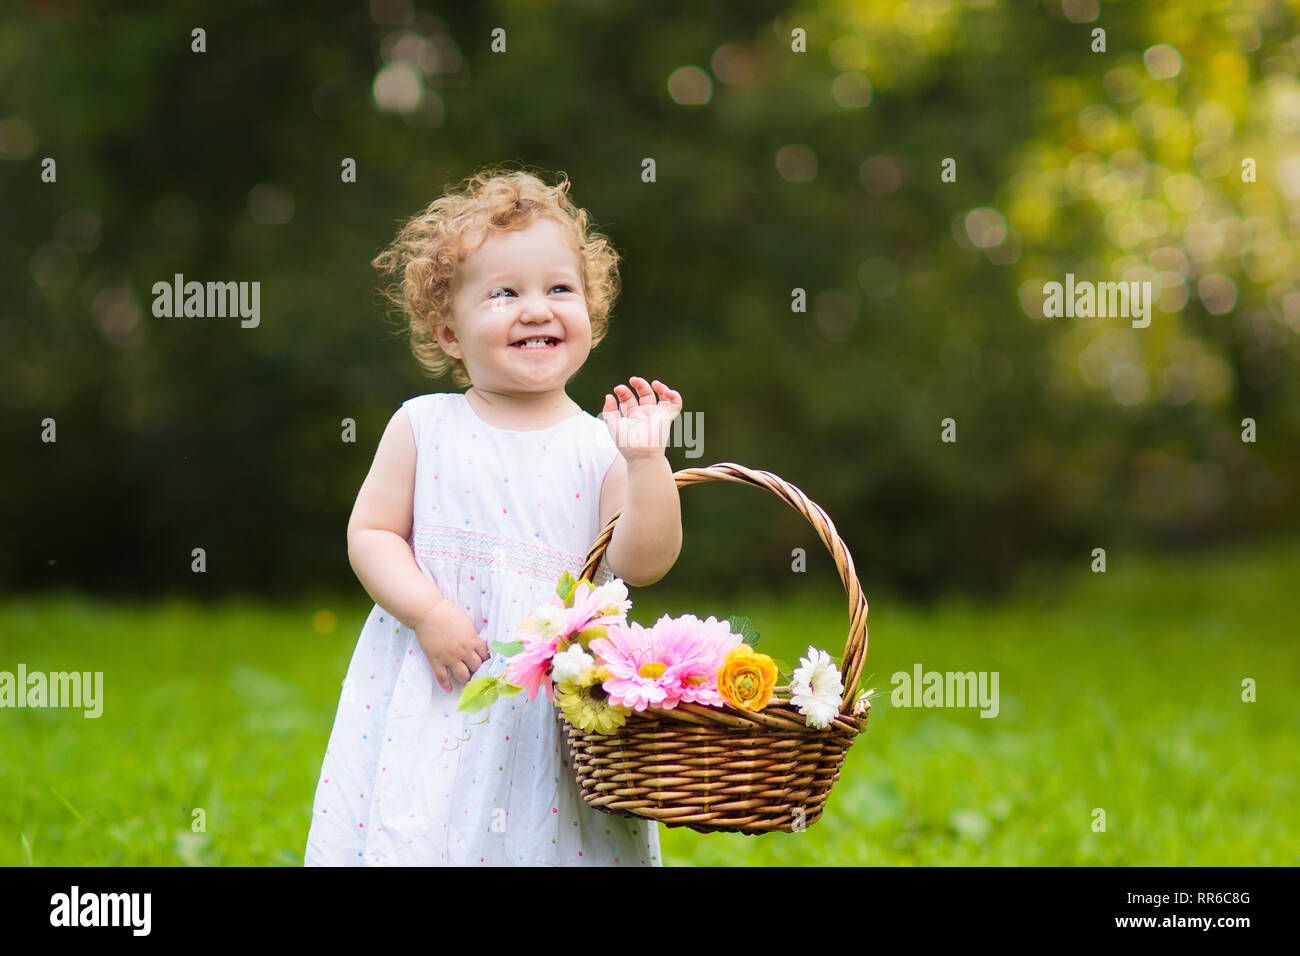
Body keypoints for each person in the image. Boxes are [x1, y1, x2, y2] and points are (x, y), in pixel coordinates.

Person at [304, 166, 683, 865]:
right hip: (440, 679)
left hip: (551, 710)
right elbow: (373, 533)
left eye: (559, 289)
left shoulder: (599, 446)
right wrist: (426, 611)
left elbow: (642, 563)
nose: (536, 309)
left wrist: (646, 464)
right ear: (449, 332)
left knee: (545, 835)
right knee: (426, 822)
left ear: (590, 314)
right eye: (504, 293)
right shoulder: (424, 426)